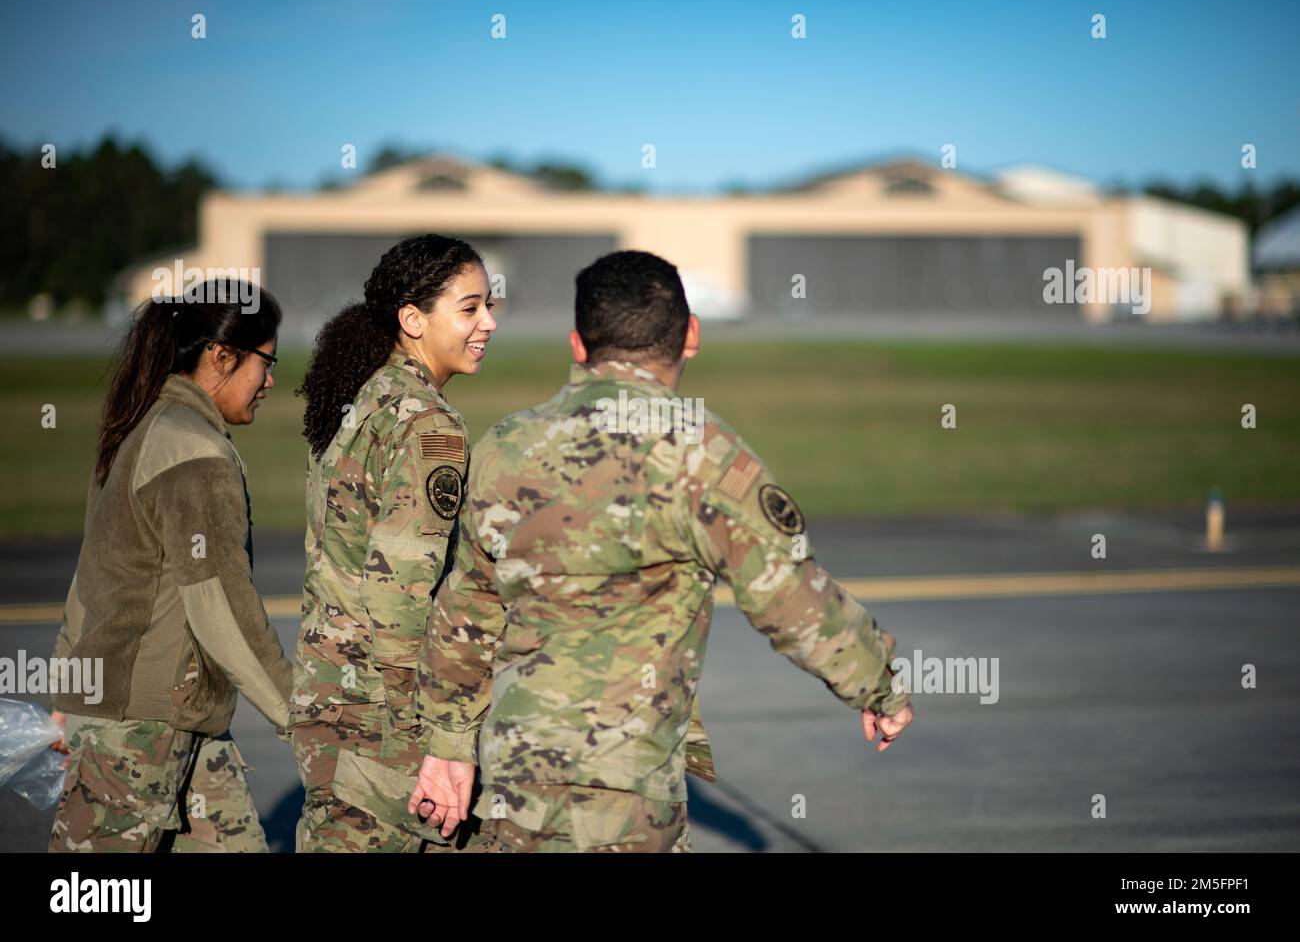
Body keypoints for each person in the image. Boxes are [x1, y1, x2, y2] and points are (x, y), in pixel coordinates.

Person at [409, 250, 915, 852]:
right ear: (691, 336)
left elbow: (465, 616)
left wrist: (446, 748)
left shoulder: (505, 446)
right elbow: (789, 598)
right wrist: (876, 684)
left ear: (577, 345)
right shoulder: (701, 450)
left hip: (511, 782)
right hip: (626, 794)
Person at [48, 278, 290, 853]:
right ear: (220, 355)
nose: (271, 381)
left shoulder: (136, 426)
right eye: (267, 362)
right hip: (137, 732)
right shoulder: (194, 450)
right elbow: (223, 610)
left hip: (184, 723)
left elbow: (92, 576)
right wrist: (299, 713)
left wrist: (65, 686)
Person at [292, 234, 497, 852]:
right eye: (469, 308)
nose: (487, 323)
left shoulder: (365, 395)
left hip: (331, 691)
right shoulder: (428, 424)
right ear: (412, 318)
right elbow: (400, 590)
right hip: (383, 715)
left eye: (488, 306)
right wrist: (437, 740)